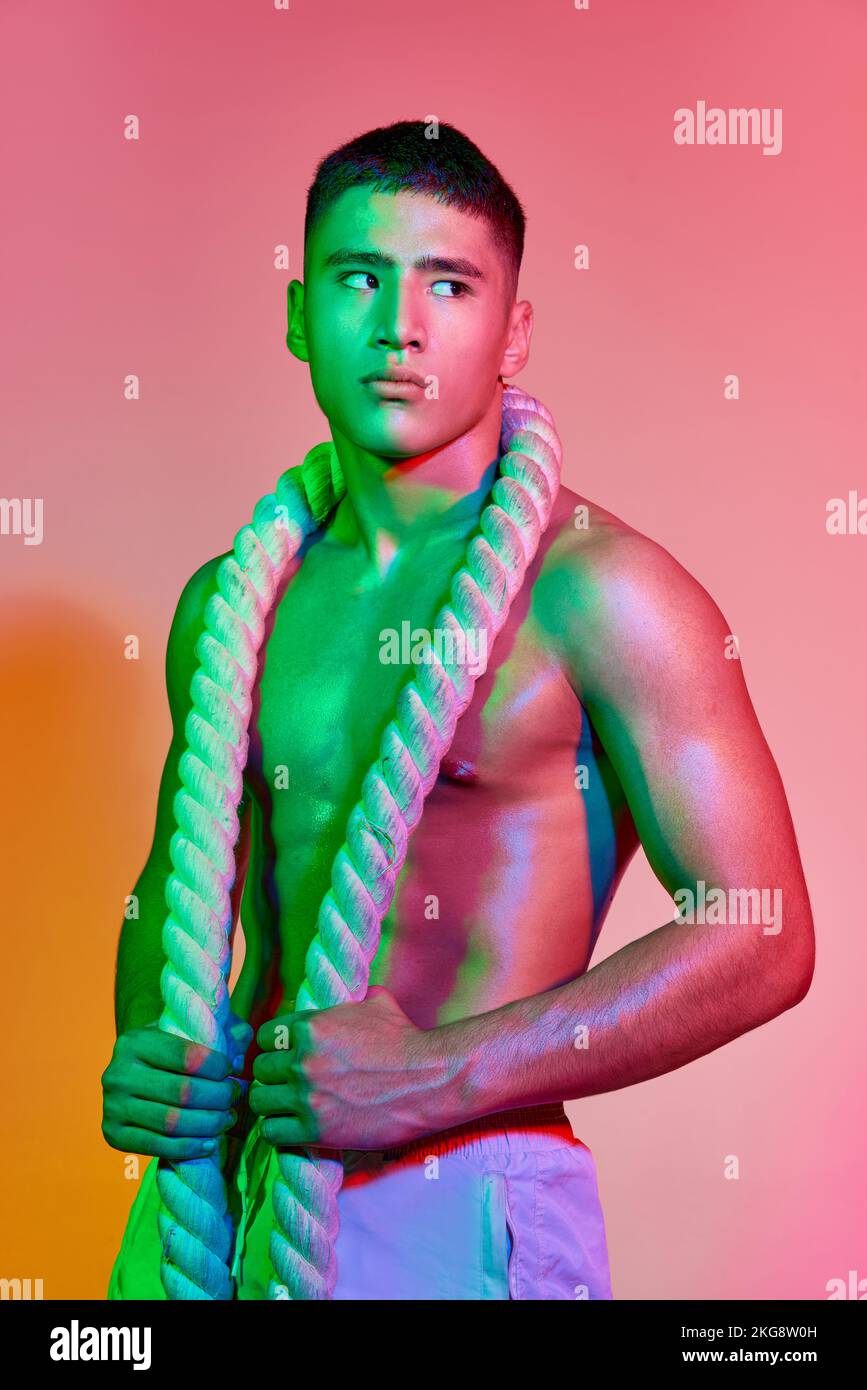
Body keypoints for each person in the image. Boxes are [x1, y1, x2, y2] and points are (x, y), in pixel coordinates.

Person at [101, 120, 815, 1300]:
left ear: (513, 332)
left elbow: (763, 932)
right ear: (297, 316)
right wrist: (145, 1037)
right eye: (360, 276)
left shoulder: (604, 592)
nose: (401, 325)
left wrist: (434, 1074)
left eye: (450, 281)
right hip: (223, 1197)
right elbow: (177, 880)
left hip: (463, 1196)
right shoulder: (227, 605)